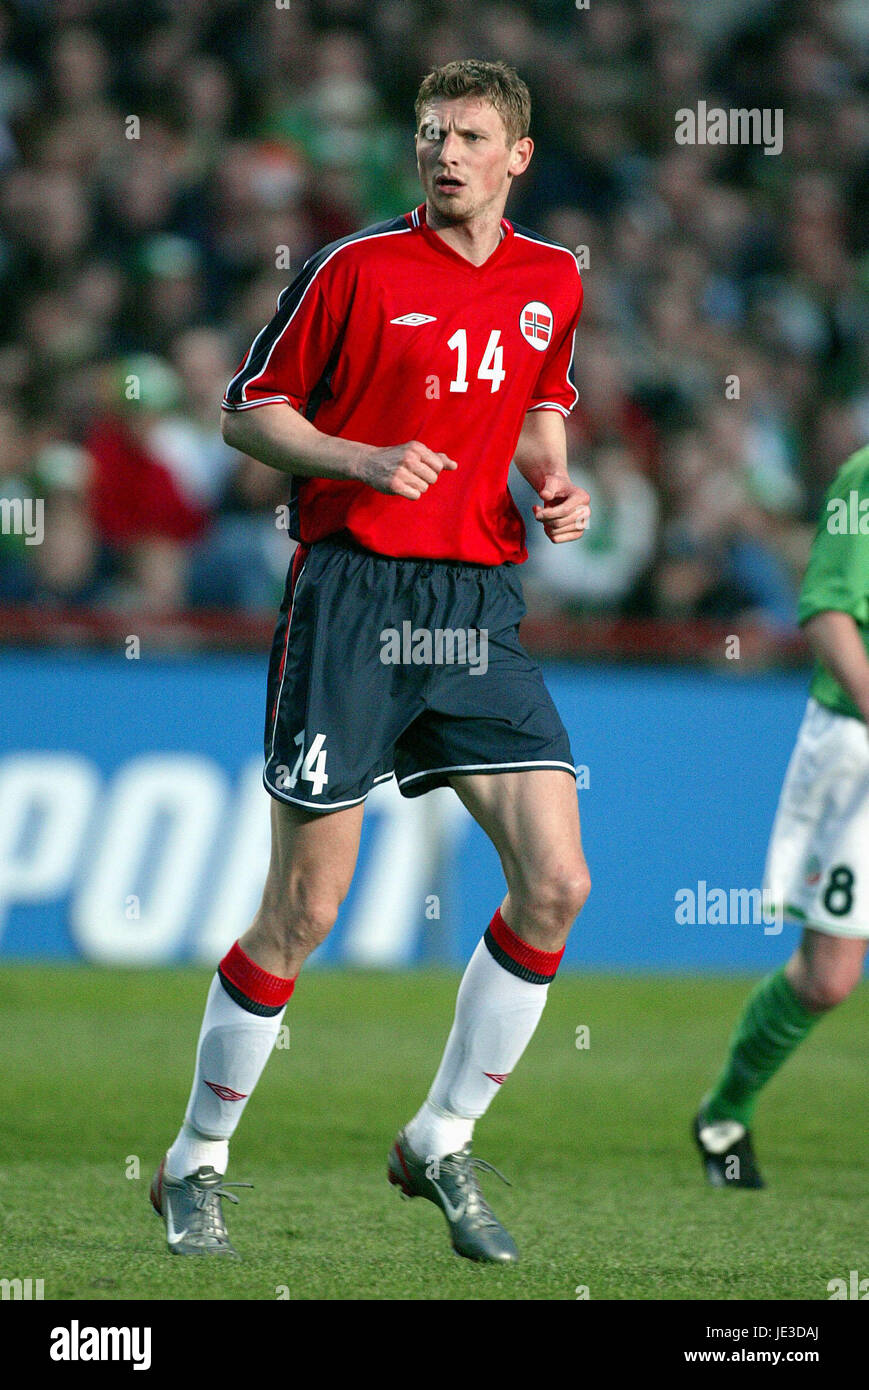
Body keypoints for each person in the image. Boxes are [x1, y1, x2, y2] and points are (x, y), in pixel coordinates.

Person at [151, 59, 592, 1264]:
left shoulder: (551, 280)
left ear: (516, 159)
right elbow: (247, 410)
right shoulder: (352, 270)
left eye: (469, 136)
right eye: (429, 133)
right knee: (304, 908)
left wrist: (548, 474)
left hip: (475, 607)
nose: (443, 153)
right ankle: (194, 1161)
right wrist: (354, 459)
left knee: (555, 883)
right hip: (351, 598)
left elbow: (539, 398)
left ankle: (439, 1137)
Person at [694, 444, 869, 1187]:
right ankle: (723, 1114)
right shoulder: (863, 478)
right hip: (854, 744)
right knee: (828, 978)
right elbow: (826, 613)